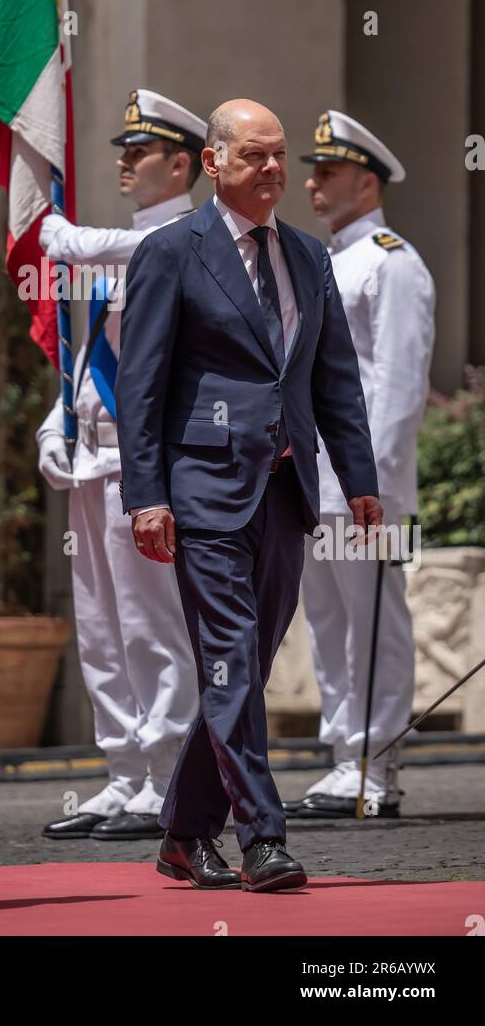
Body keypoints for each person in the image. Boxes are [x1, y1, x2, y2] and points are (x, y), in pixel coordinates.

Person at [115, 98, 382, 892]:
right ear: (212, 163)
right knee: (230, 658)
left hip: (285, 490)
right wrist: (145, 495)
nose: (272, 169)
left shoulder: (306, 255)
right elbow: (141, 386)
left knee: (245, 667)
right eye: (253, 156)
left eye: (279, 156)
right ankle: (262, 835)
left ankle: (181, 832)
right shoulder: (171, 252)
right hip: (202, 491)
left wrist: (358, 478)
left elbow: (333, 378)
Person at [36, 90, 202, 840]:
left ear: (182, 164)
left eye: (139, 153)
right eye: (123, 151)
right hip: (92, 460)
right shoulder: (115, 251)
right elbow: (92, 359)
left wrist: (60, 234)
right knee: (100, 628)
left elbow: (110, 251)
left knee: (148, 624)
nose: (122, 162)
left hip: (145, 466)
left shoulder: (193, 239)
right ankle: (123, 772)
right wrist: (55, 422)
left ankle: (169, 775)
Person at [283, 110, 435, 818]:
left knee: (373, 619)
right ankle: (345, 756)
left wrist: (367, 483)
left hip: (364, 484)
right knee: (328, 619)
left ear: (366, 182)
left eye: (329, 171)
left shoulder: (390, 260)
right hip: (314, 480)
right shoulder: (327, 261)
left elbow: (399, 389)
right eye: (312, 170)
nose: (312, 182)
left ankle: (377, 765)